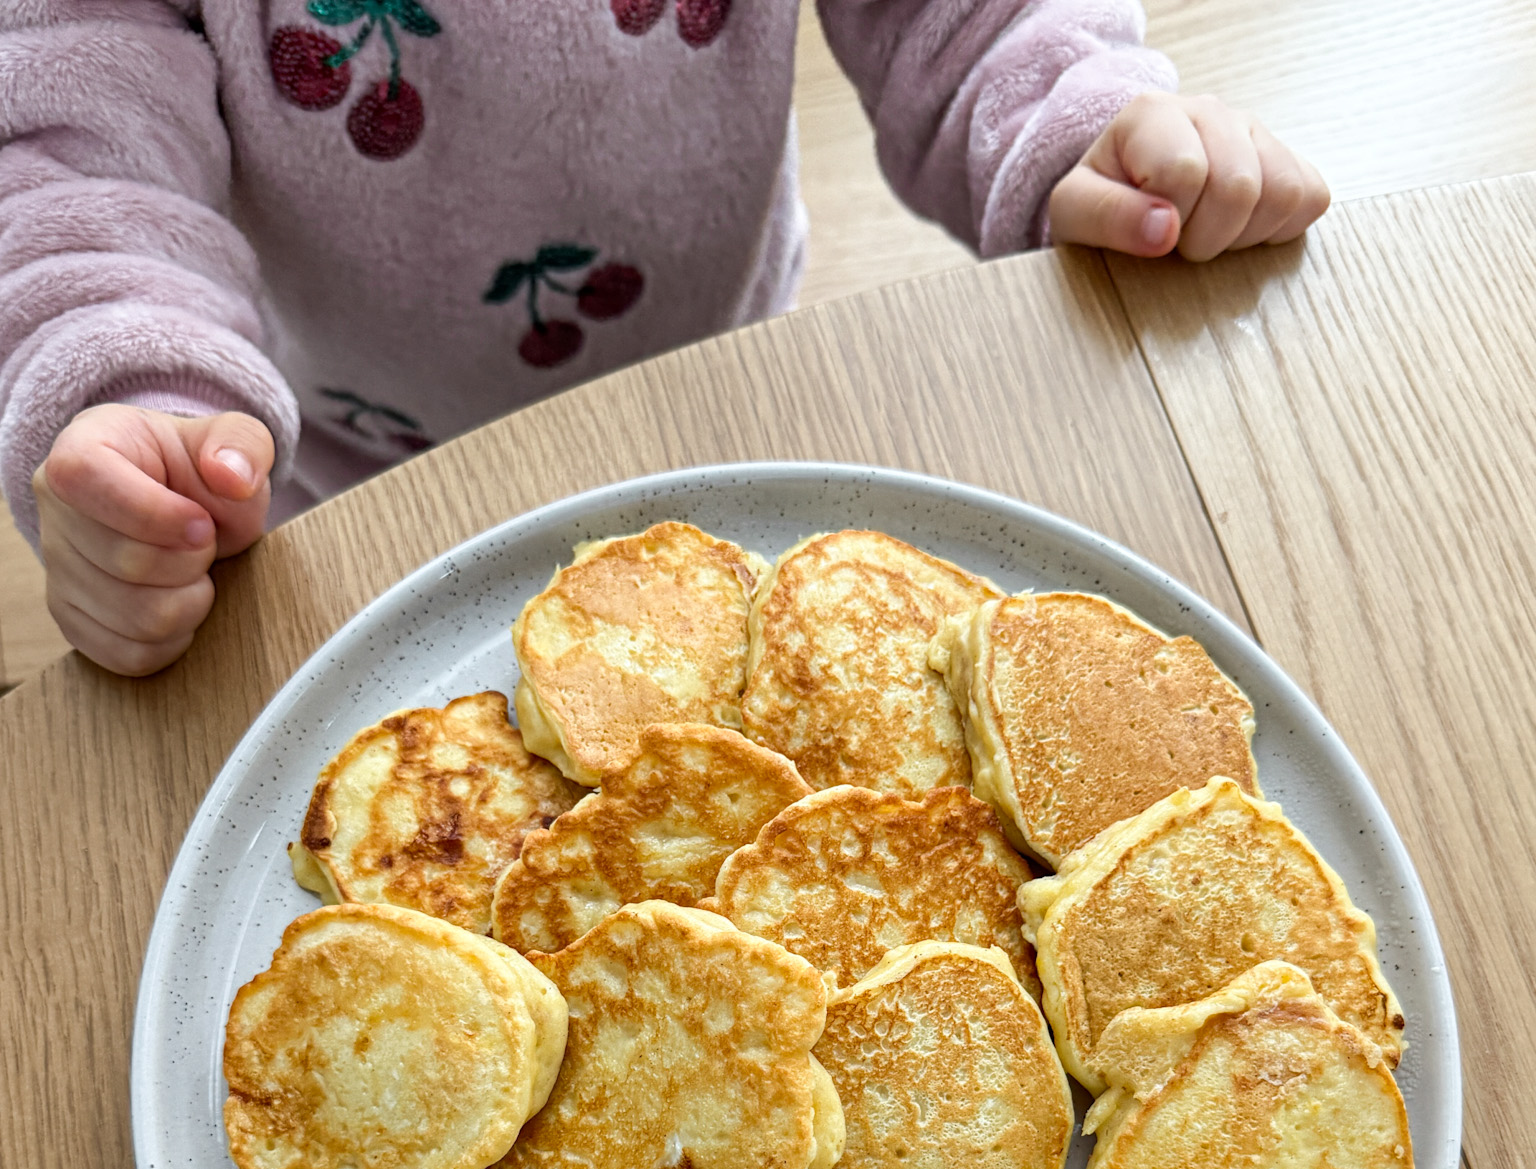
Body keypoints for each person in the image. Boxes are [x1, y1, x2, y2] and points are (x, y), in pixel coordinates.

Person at [1, 0, 1327, 677]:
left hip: (723, 377)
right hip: (342, 473)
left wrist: (1071, 123)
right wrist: (124, 385)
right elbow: (69, 123)